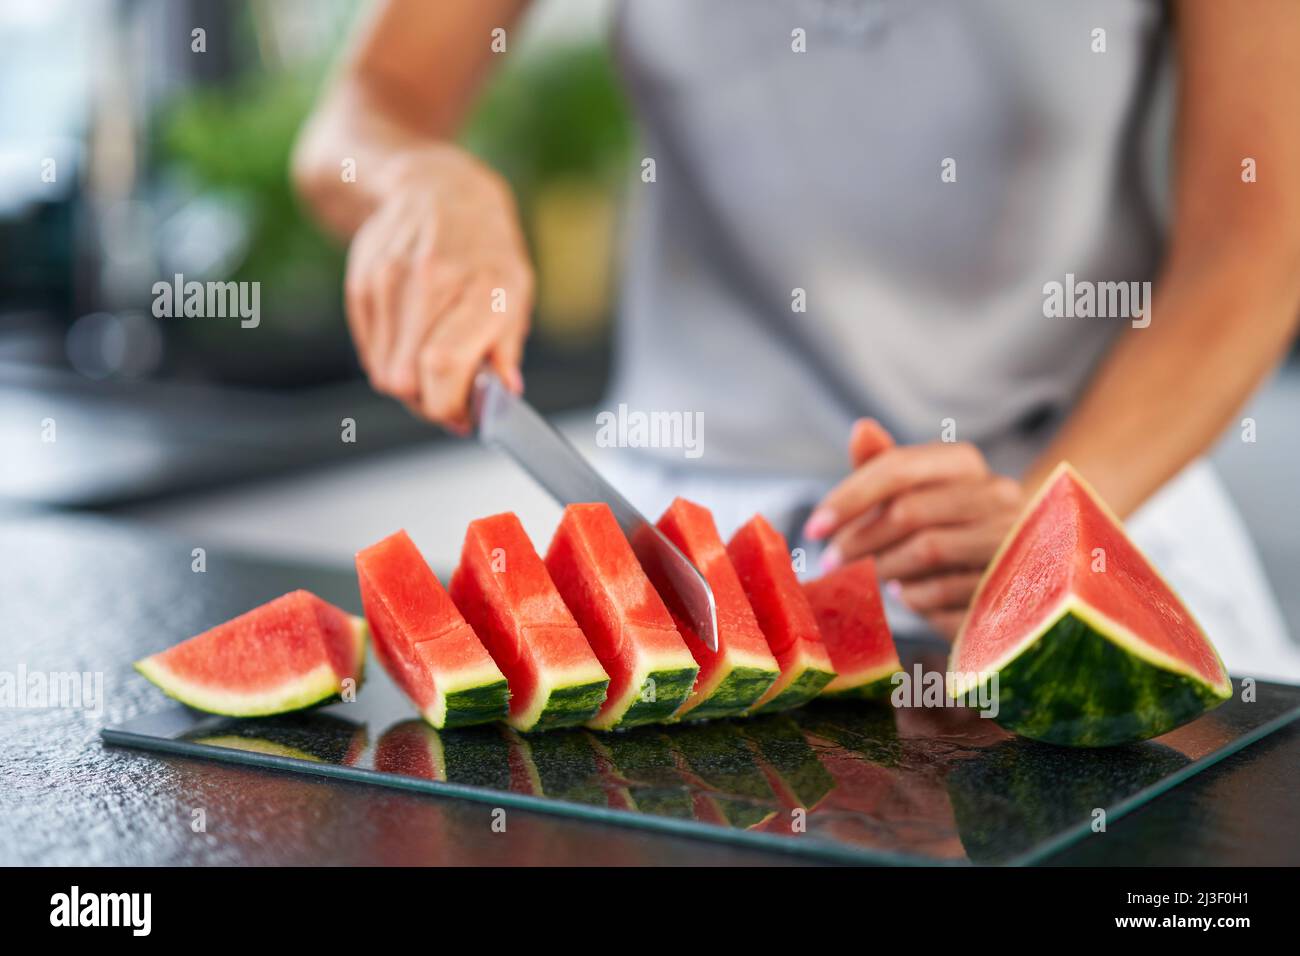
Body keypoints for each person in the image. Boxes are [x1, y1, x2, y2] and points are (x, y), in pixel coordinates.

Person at [294, 0, 1300, 679]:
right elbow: (361, 112)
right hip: (688, 548)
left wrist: (1051, 523)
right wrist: (414, 179)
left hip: (1081, 499)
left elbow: (1254, 239)